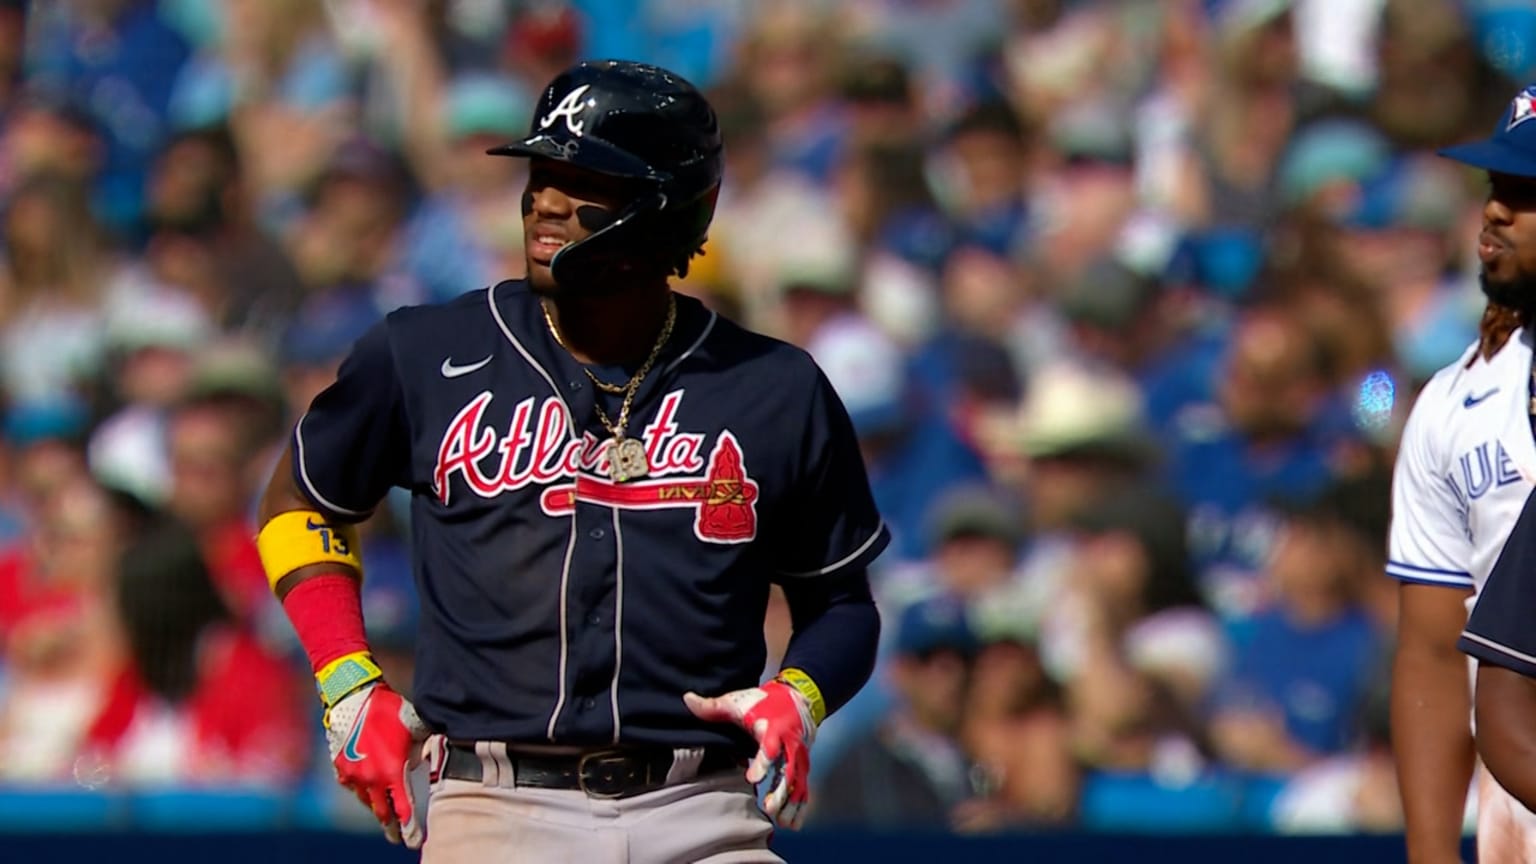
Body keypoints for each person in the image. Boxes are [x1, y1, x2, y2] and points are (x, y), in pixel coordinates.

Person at [255, 60, 888, 862]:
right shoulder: (424, 352)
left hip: (705, 809)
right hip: (494, 802)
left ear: (672, 207)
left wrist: (800, 695)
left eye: (585, 182)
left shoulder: (773, 387)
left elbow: (841, 603)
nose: (545, 202)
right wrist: (348, 682)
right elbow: (299, 504)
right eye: (541, 175)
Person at [1391, 81, 1536, 864]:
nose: (1496, 212)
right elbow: (1433, 651)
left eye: (1528, 193)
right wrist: (1430, 853)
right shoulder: (1454, 402)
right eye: (1495, 187)